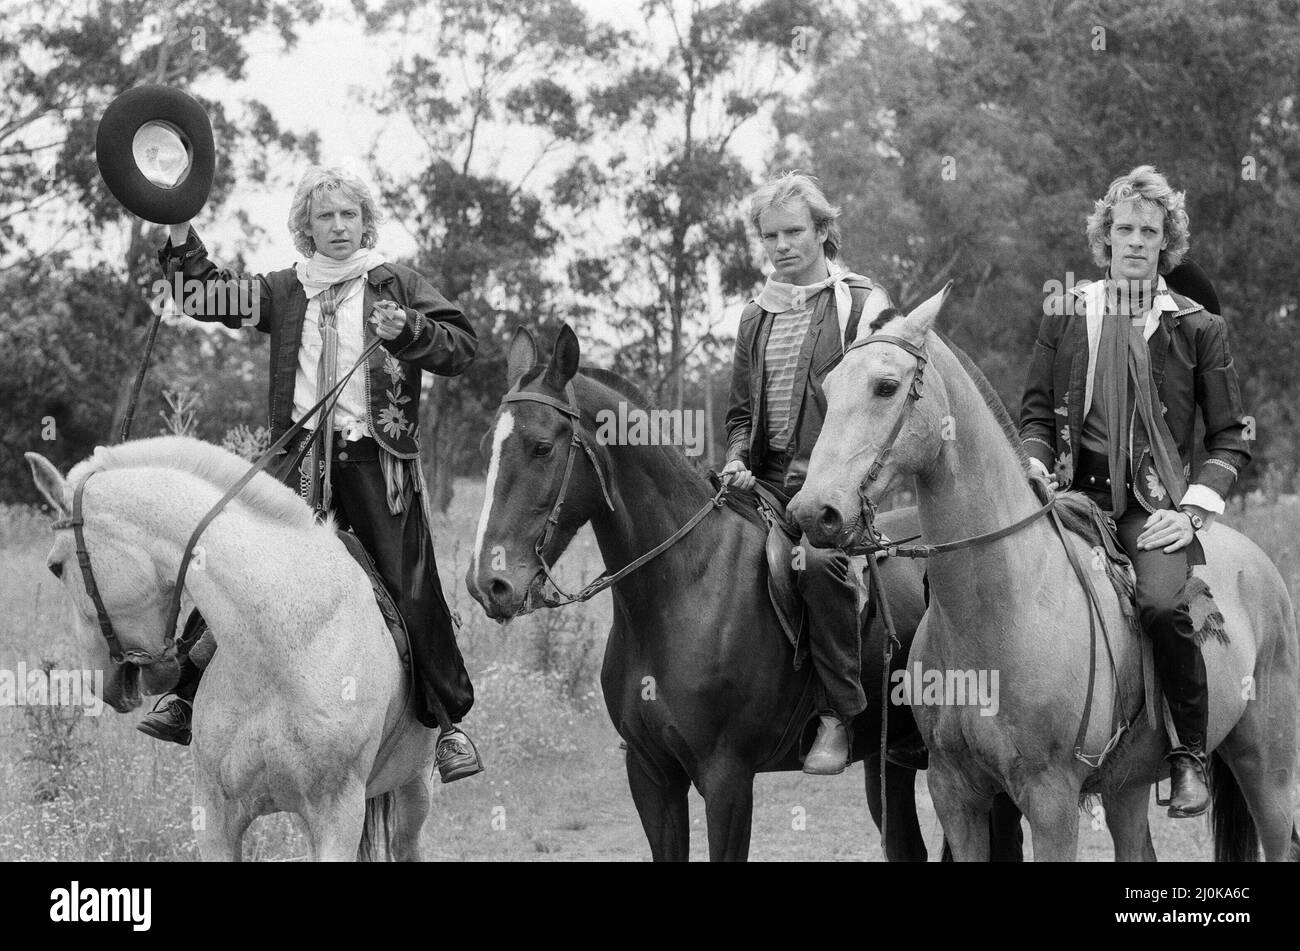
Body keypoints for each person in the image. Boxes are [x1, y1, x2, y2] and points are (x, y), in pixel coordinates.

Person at [143, 166, 483, 783]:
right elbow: (203, 296)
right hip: (299, 457)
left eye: (348, 214)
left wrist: (411, 330)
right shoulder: (284, 289)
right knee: (239, 563)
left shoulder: (397, 284)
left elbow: (462, 347)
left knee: (408, 585)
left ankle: (447, 726)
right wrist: (177, 224)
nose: (338, 227)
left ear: (364, 221)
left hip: (378, 458)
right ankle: (186, 693)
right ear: (307, 227)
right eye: (324, 217)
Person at [1020, 165, 1251, 817]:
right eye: (1124, 228)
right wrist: (1035, 464)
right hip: (1071, 499)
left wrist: (1194, 514)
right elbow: (1035, 412)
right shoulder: (1067, 315)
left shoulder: (1199, 328)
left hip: (1153, 511)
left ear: (1165, 244)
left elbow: (1232, 436)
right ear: (1106, 237)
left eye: (1150, 230)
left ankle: (1187, 757)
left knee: (1157, 603)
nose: (1135, 240)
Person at [722, 172, 892, 774]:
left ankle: (837, 715)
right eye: (770, 236)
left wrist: (855, 484)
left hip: (834, 493)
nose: (781, 246)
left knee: (817, 565)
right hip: (763, 487)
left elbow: (885, 404)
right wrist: (736, 458)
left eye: (794, 232)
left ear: (824, 231)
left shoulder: (862, 304)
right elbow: (741, 412)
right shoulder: (755, 315)